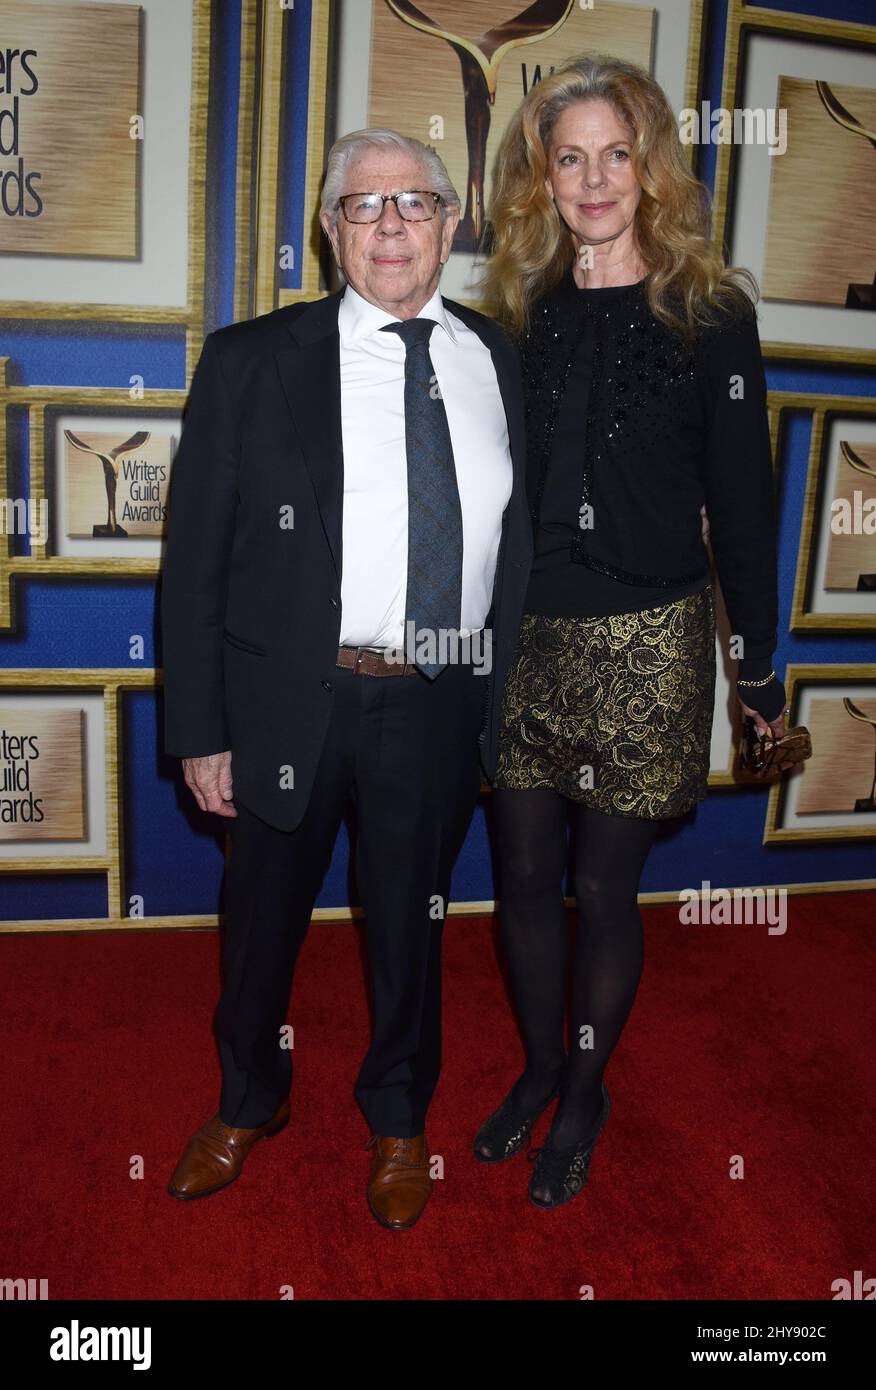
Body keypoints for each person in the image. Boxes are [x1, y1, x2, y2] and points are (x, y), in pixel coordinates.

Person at [160, 128, 532, 1229]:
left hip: (437, 698)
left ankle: (400, 1115)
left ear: (451, 225)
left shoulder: (500, 360)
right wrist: (201, 727)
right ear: (330, 233)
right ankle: (248, 1101)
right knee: (258, 922)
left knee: (411, 925)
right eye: (361, 208)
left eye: (412, 204)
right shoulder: (249, 360)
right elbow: (195, 563)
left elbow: (518, 548)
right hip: (288, 698)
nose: (389, 227)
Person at [472, 54, 788, 1208]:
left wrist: (757, 664)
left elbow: (743, 510)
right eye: (570, 157)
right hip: (528, 637)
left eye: (617, 153)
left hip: (649, 638)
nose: (595, 178)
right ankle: (542, 1064)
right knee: (517, 875)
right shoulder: (523, 310)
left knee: (603, 891)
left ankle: (589, 1088)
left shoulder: (711, 312)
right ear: (541, 179)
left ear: (649, 168)